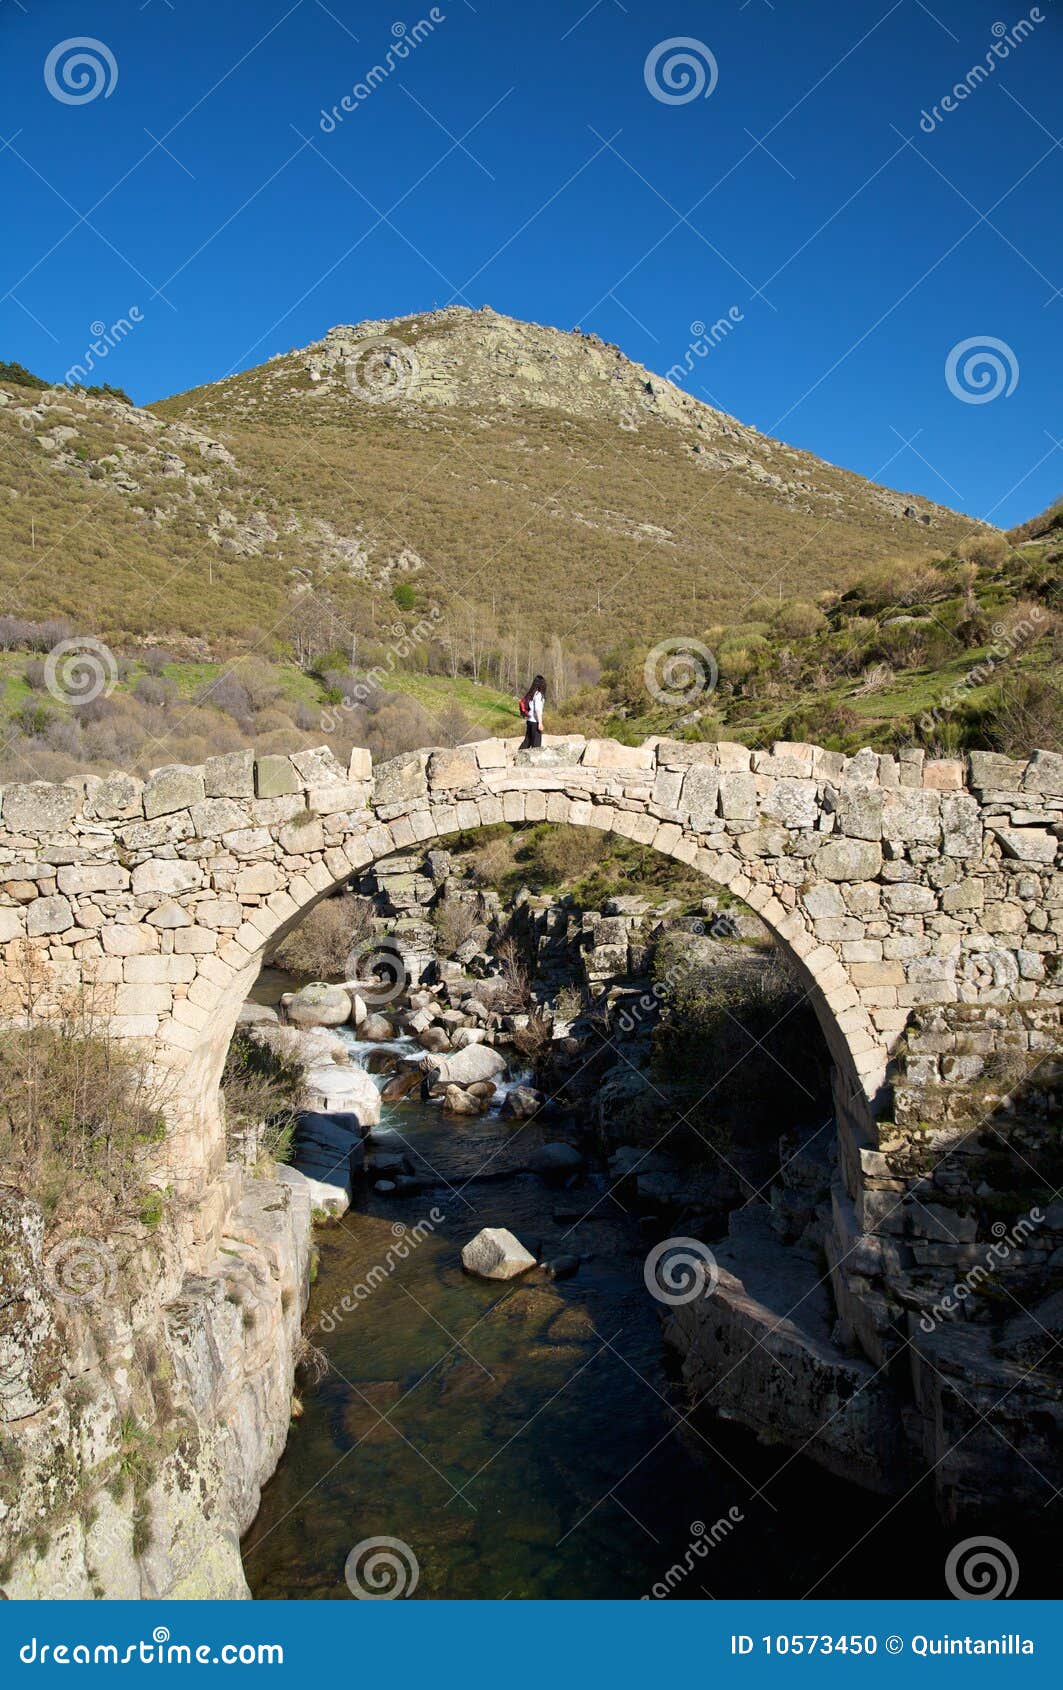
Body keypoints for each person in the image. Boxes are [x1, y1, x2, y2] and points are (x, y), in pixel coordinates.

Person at [519, 674, 545, 750]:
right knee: (536, 745)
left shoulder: (531, 693)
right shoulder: (538, 695)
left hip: (529, 720)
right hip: (535, 721)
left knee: (527, 741)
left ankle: (519, 755)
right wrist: (540, 723)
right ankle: (534, 760)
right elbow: (537, 709)